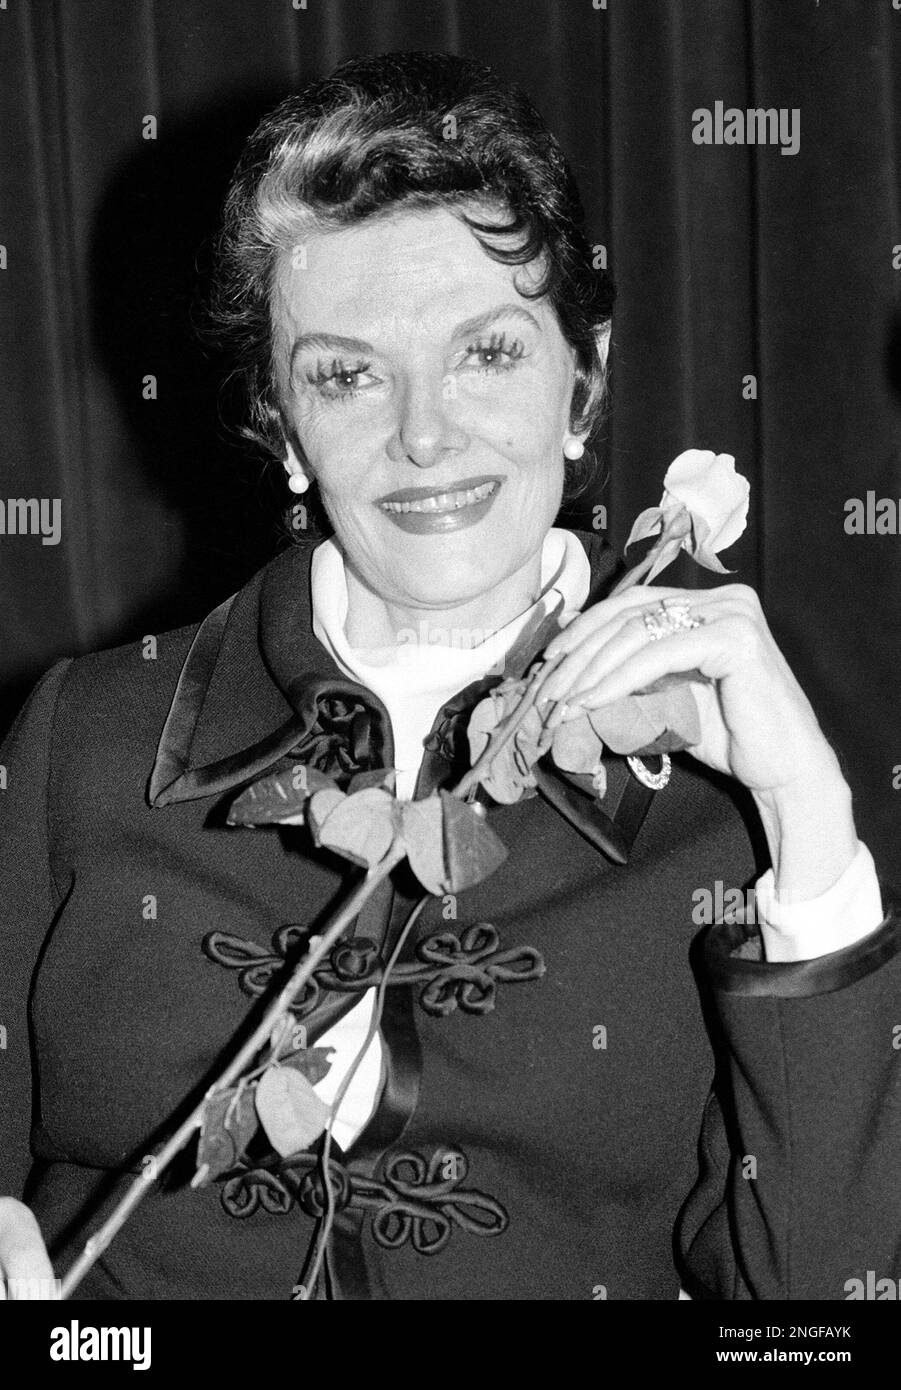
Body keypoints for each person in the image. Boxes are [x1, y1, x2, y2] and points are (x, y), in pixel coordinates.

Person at [0, 50, 898, 1302]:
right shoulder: (81, 743)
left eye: (485, 352)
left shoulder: (731, 811)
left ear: (581, 382)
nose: (423, 432)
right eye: (347, 373)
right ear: (279, 423)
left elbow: (815, 1313)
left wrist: (809, 824)